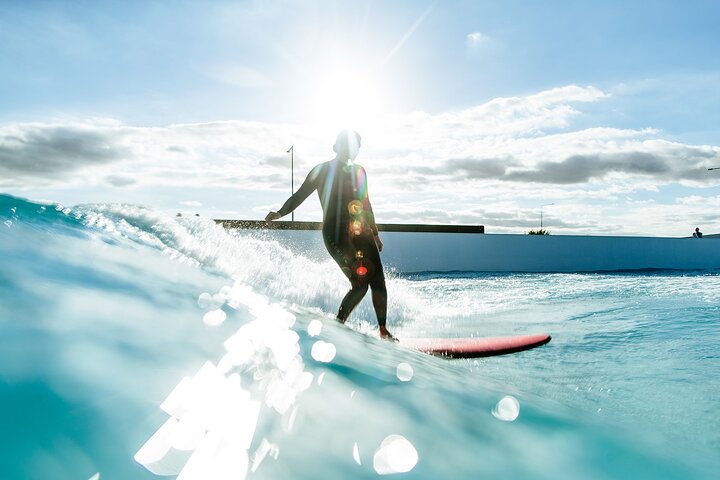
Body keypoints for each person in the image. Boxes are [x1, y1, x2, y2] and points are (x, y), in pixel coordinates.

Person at [265, 131, 395, 340]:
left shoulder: (360, 171)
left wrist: (376, 234)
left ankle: (383, 330)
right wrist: (280, 213)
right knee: (360, 284)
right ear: (337, 146)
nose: (352, 149)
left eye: (356, 146)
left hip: (362, 231)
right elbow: (299, 195)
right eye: (348, 144)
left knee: (378, 281)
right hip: (336, 234)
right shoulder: (322, 170)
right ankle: (339, 324)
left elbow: (366, 204)